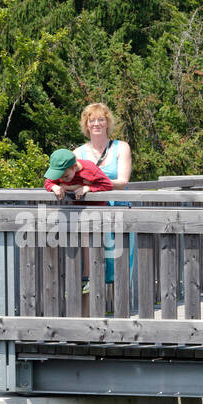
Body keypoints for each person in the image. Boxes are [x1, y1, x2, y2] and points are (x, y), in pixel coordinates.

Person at [73, 103, 133, 287]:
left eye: (101, 119)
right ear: (86, 124)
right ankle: (90, 312)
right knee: (90, 270)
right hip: (90, 214)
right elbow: (71, 182)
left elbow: (122, 182)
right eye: (92, 120)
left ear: (107, 123)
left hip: (118, 210)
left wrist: (91, 185)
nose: (96, 124)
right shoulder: (77, 153)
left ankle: (120, 312)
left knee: (118, 265)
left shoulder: (121, 148)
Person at [44, 149, 113, 198]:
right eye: (59, 177)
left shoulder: (91, 170)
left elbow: (108, 185)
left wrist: (88, 187)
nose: (62, 179)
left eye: (66, 176)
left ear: (74, 166)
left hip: (95, 208)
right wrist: (54, 187)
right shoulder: (62, 173)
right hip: (72, 208)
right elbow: (48, 182)